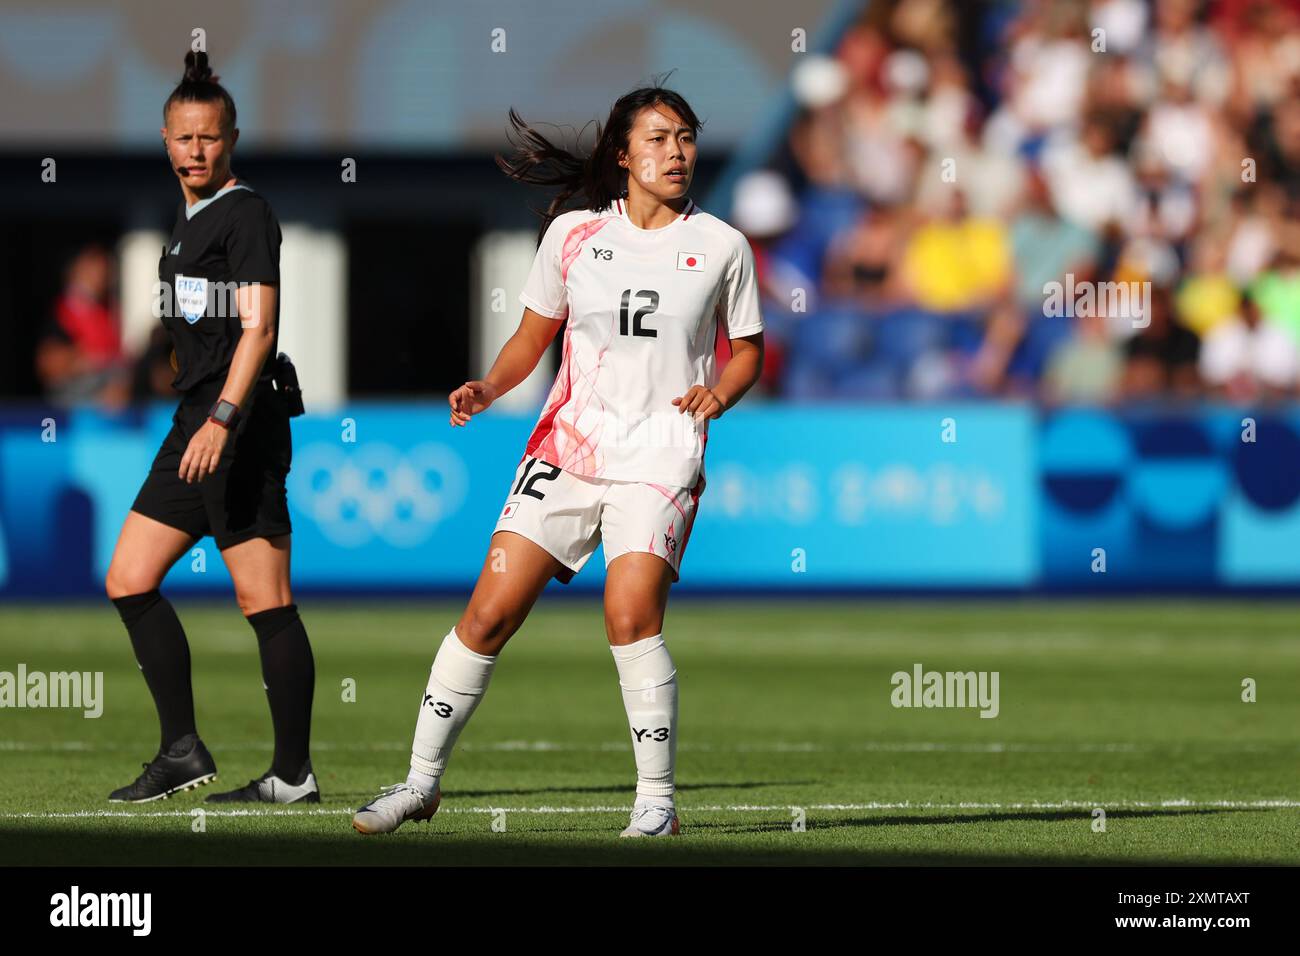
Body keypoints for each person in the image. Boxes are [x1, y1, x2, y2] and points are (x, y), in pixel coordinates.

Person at [353, 83, 766, 837]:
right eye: (658, 138)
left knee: (630, 613)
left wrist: (720, 396)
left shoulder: (723, 246)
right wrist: (489, 384)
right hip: (571, 447)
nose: (676, 152)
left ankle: (657, 805)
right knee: (488, 612)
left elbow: (749, 353)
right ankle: (419, 785)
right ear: (622, 154)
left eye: (686, 137)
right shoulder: (574, 235)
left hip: (660, 454)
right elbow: (530, 339)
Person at [104, 51, 316, 805]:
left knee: (265, 602)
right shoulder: (185, 222)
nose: (196, 150)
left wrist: (224, 418)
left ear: (231, 138)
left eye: (210, 138)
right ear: (165, 139)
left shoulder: (246, 212)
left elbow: (259, 331)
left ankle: (293, 776)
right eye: (183, 138)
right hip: (192, 424)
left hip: (239, 425)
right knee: (128, 578)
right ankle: (183, 750)